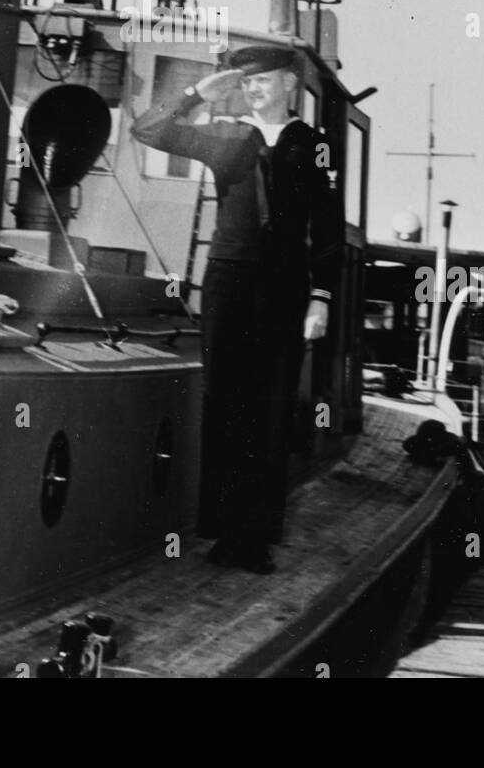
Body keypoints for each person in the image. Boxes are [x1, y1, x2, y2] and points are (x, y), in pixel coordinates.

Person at [132, 44, 343, 573]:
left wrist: (320, 299)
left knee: (271, 409)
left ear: (289, 84)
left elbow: (329, 229)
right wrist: (196, 94)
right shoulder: (227, 134)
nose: (254, 89)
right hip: (228, 280)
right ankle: (222, 531)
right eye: (247, 82)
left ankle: (254, 538)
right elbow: (149, 130)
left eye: (264, 80)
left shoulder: (313, 145)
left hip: (285, 287)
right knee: (226, 404)